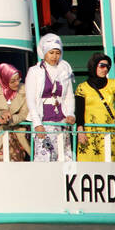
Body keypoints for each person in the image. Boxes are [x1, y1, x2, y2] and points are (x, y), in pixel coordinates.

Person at [25, 34, 75, 162]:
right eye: (51, 53)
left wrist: (70, 114)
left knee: (64, 157)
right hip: (44, 120)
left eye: (57, 53)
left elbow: (69, 96)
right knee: (45, 155)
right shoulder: (35, 71)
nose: (54, 56)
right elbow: (31, 99)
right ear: (44, 53)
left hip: (61, 120)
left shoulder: (65, 71)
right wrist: (37, 124)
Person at [75, 53, 115, 161]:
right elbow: (79, 112)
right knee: (87, 166)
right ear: (94, 66)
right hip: (89, 134)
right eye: (102, 65)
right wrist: (80, 131)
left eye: (108, 67)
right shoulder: (82, 88)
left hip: (109, 133)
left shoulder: (113, 84)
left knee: (109, 166)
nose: (105, 69)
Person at [0, 63, 29, 161]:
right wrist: (1, 115)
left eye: (18, 79)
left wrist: (10, 119)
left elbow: (24, 114)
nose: (17, 83)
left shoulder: (24, 90)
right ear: (4, 80)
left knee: (15, 157)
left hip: (16, 128)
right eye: (12, 81)